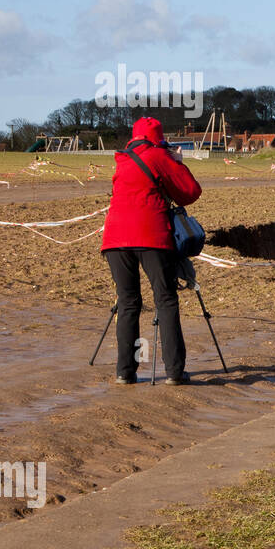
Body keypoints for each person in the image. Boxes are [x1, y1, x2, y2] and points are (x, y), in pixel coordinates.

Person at [101, 117, 203, 385]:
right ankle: (174, 372)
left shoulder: (121, 159)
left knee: (128, 303)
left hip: (114, 239)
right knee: (166, 300)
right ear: (158, 138)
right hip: (151, 237)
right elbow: (190, 193)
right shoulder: (159, 156)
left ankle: (125, 371)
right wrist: (178, 163)